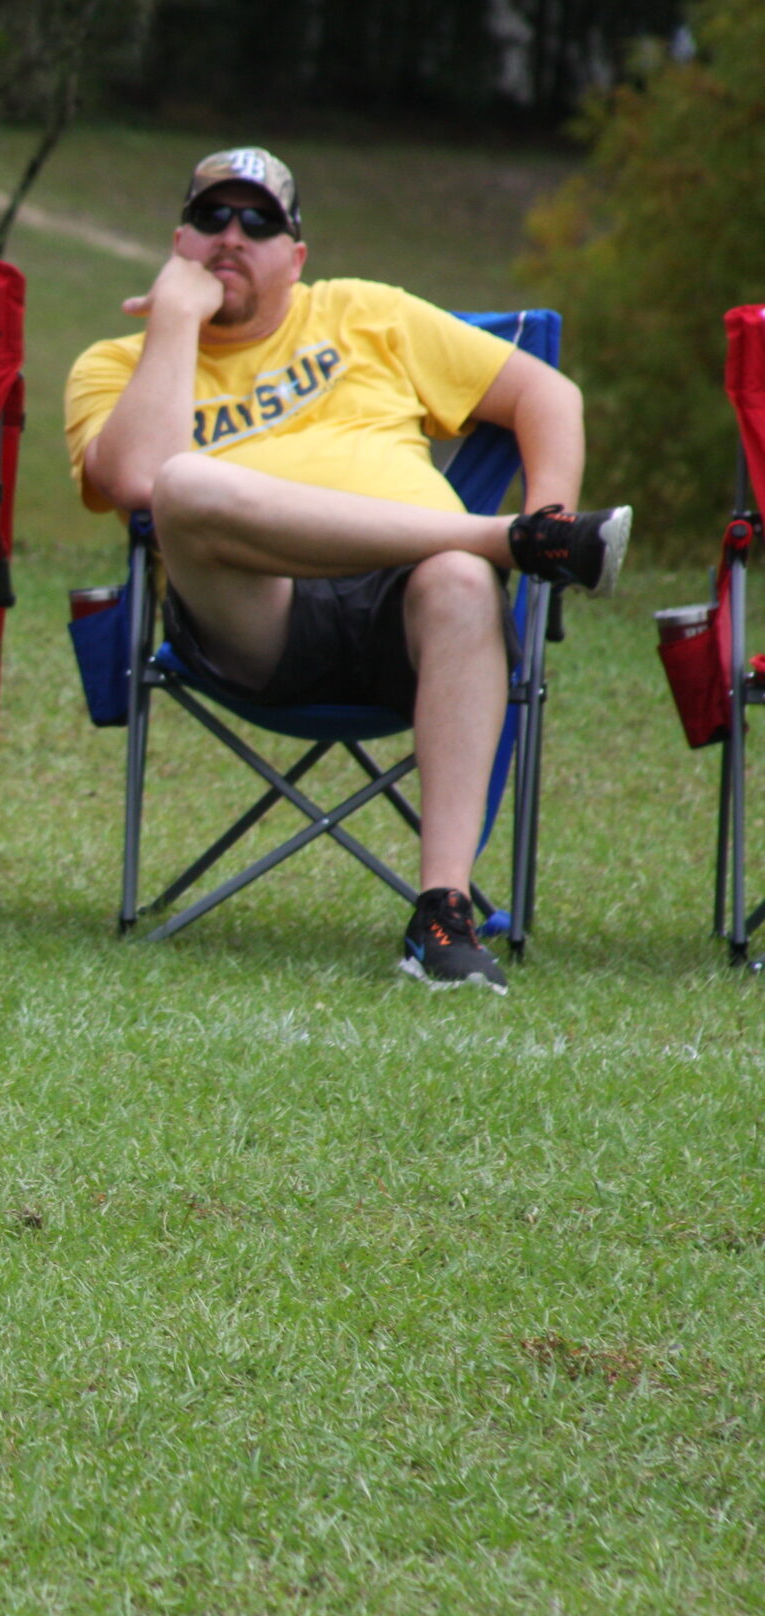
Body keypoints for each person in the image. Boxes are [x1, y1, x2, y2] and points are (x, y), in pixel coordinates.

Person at [65, 146, 632, 992]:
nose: (232, 237)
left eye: (259, 223)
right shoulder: (117, 365)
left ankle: (442, 913)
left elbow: (548, 395)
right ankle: (512, 540)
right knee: (183, 482)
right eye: (212, 218)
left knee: (456, 580)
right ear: (179, 240)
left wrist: (549, 502)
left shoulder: (368, 314)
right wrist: (176, 323)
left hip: (406, 616)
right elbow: (132, 482)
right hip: (255, 619)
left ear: (295, 257)